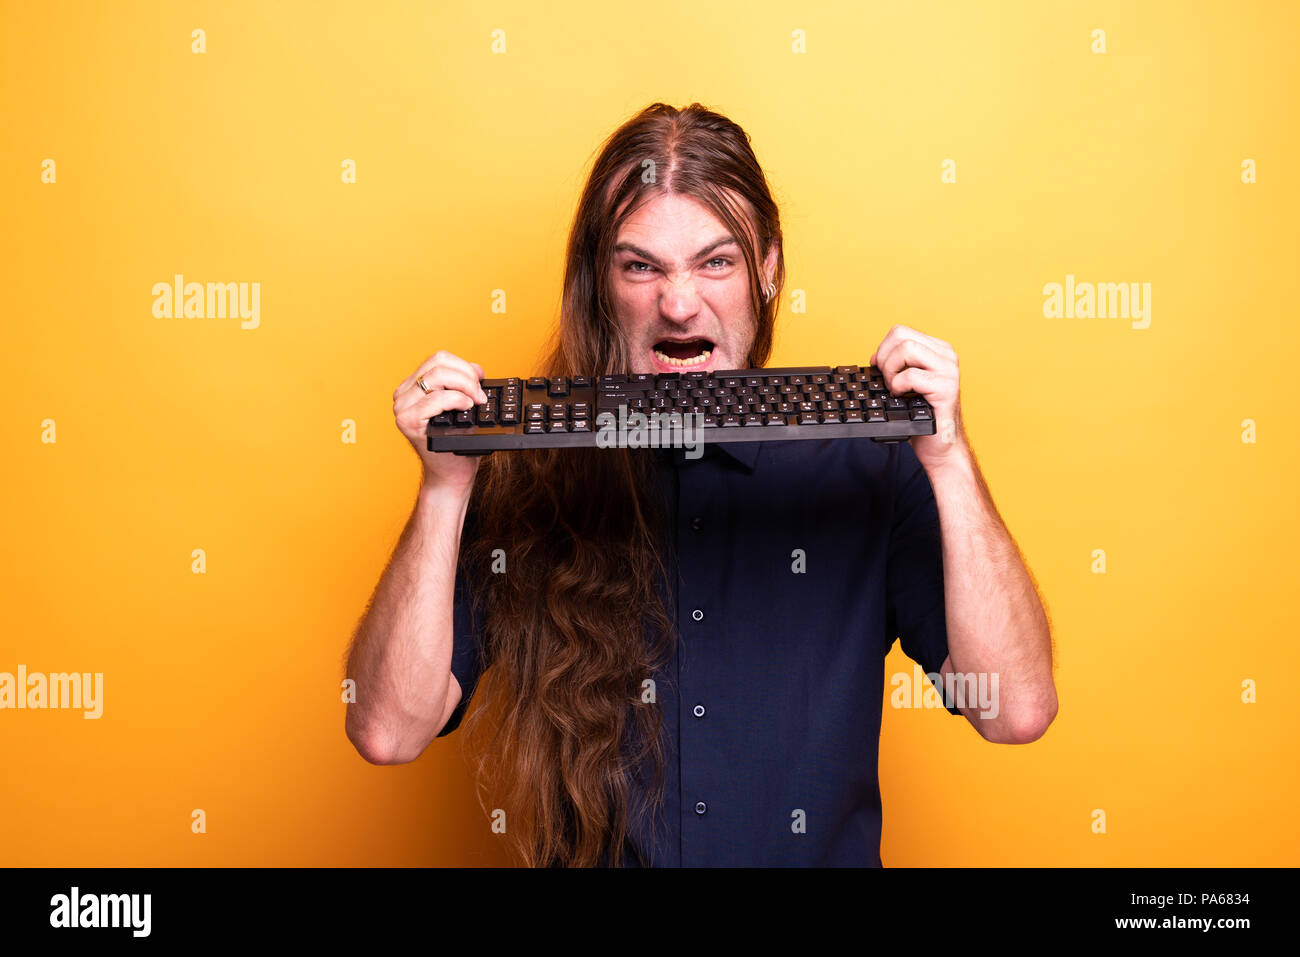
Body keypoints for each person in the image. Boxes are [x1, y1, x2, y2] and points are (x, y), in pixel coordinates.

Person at [345, 102, 1058, 867]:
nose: (678, 303)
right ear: (599, 281)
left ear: (770, 269)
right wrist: (444, 489)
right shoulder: (528, 476)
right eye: (641, 266)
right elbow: (388, 729)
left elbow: (1014, 708)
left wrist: (950, 460)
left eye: (715, 262)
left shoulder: (873, 466)